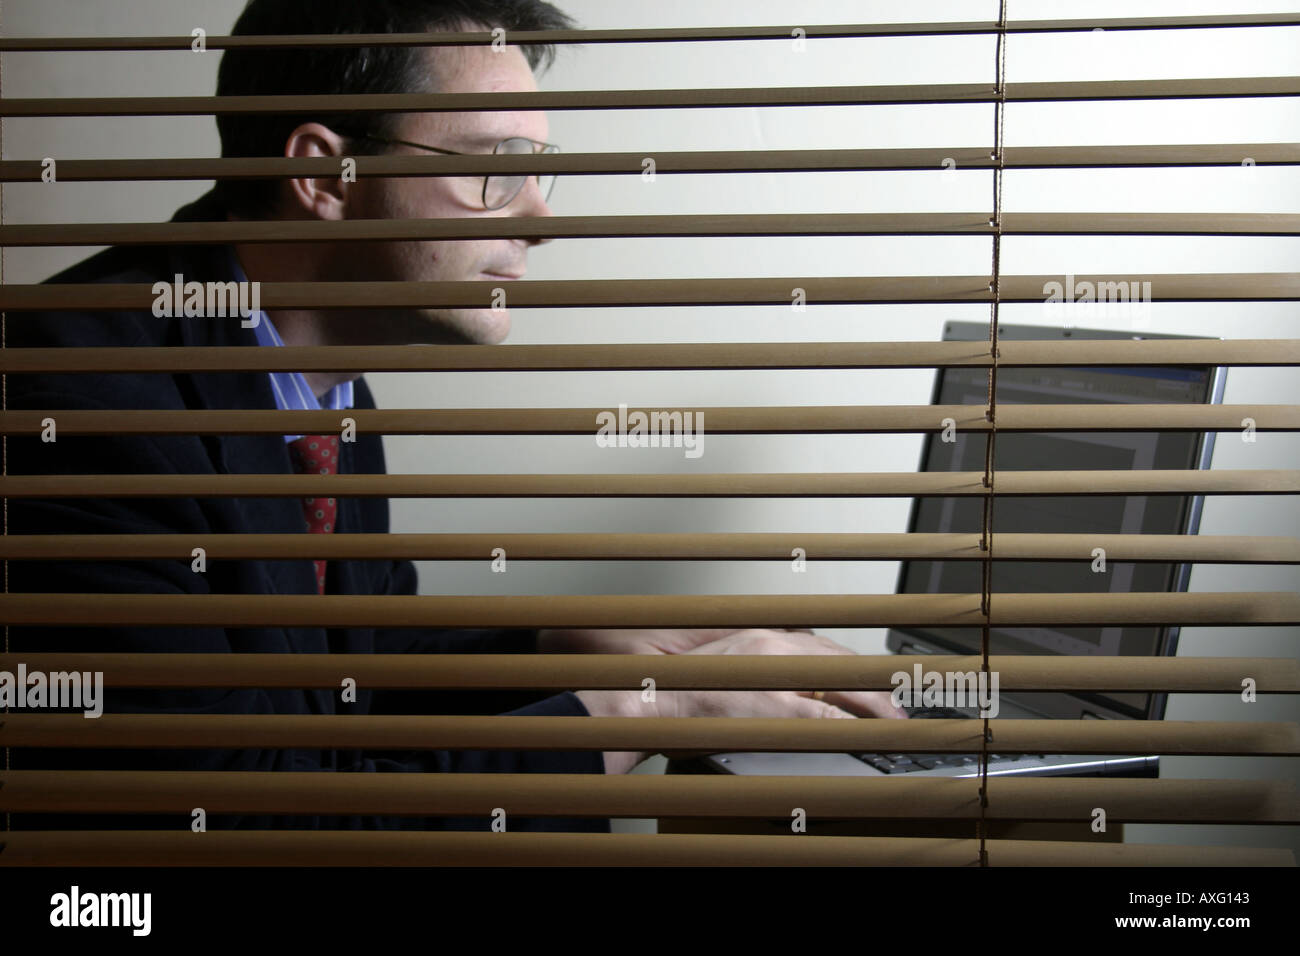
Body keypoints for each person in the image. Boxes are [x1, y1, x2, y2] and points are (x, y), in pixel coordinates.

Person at [6, 0, 904, 834]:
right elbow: (236, 825)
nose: (541, 223)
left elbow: (339, 673)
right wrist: (652, 709)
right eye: (494, 171)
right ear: (323, 175)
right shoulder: (83, 406)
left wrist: (562, 645)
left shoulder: (317, 377)